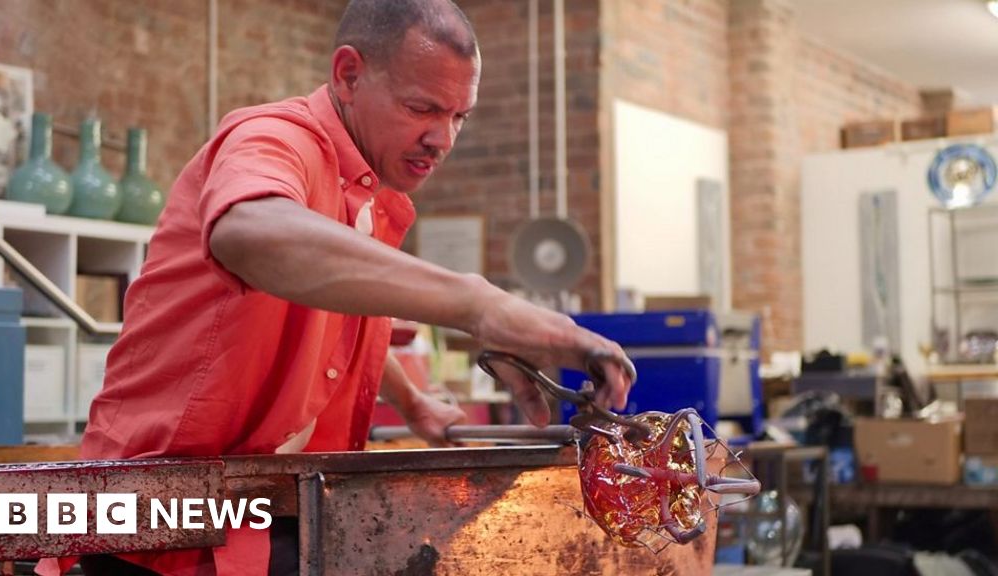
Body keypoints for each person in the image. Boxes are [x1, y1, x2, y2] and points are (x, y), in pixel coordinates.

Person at [37, 1, 632, 575]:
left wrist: (410, 400)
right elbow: (250, 233)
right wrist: (482, 306)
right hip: (155, 520)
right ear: (348, 74)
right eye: (422, 108)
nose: (442, 138)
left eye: (458, 116)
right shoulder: (273, 138)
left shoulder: (373, 198)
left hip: (270, 509)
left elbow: (332, 313)